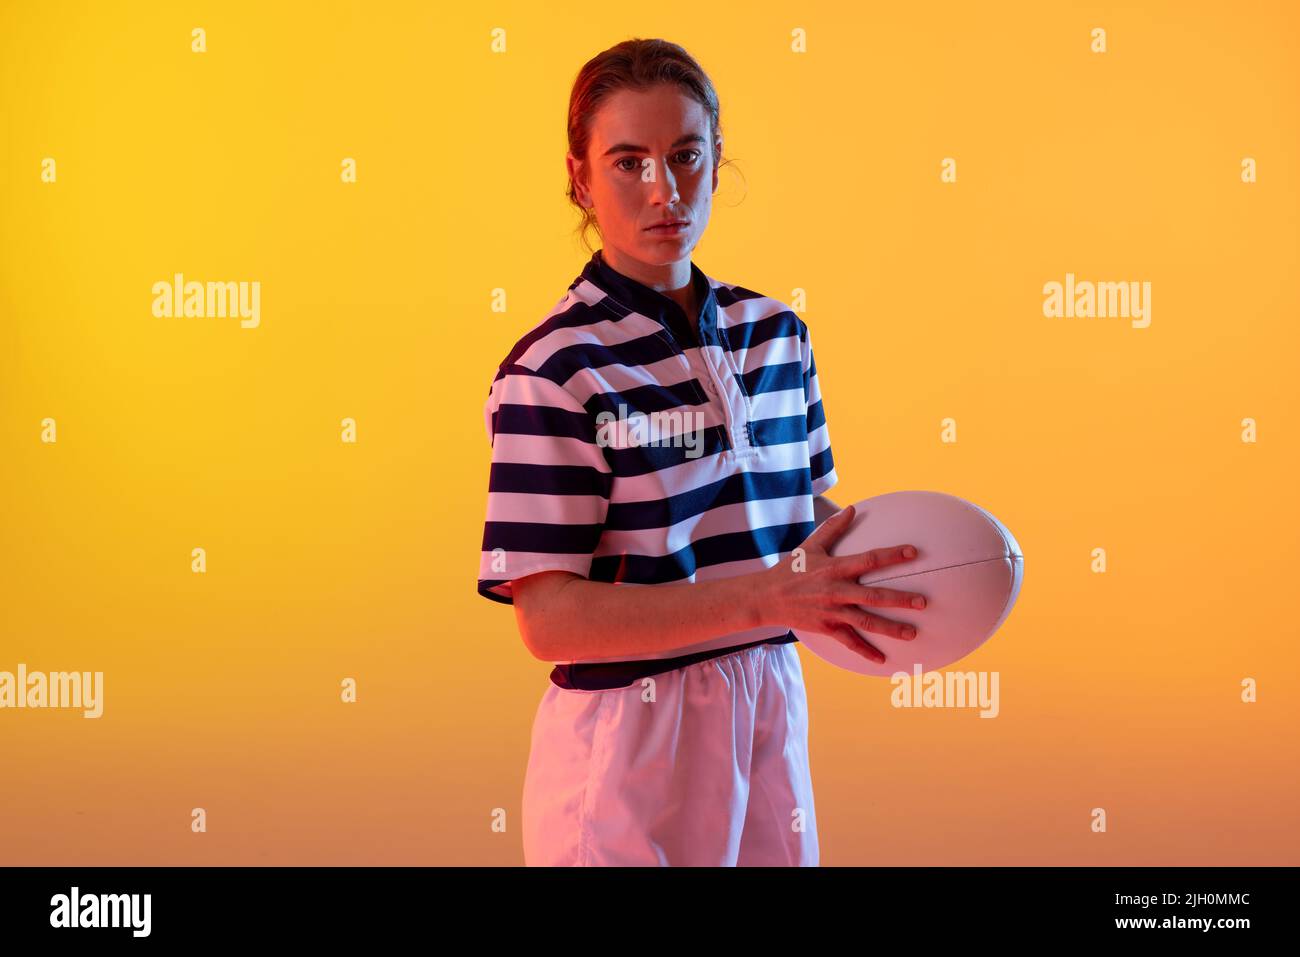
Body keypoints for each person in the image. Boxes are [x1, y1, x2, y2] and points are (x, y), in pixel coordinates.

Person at [476, 38, 926, 866]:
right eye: (628, 162)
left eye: (686, 156)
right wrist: (768, 599)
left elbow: (795, 516)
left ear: (718, 163)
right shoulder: (553, 369)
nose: (664, 190)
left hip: (767, 711)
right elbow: (549, 619)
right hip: (625, 742)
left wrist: (921, 564)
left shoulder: (778, 336)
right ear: (580, 179)